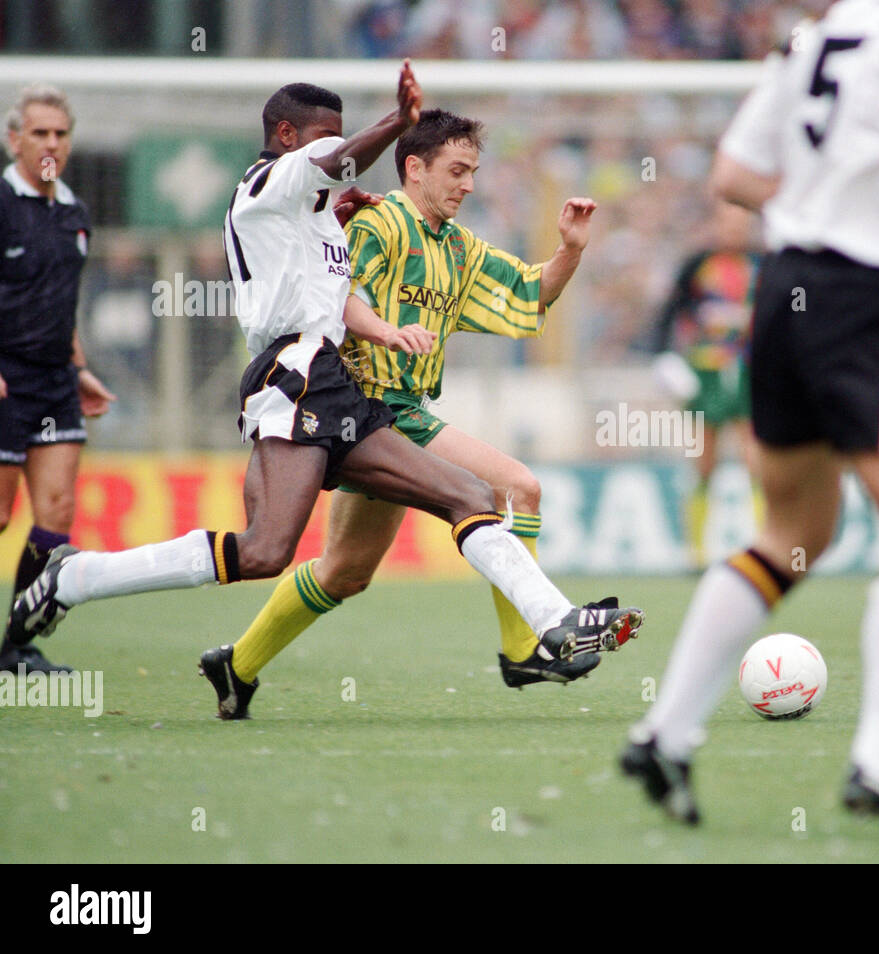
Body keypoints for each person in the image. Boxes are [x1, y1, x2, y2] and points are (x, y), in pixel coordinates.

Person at [8, 62, 643, 719]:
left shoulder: (313, 218)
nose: (333, 154)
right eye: (320, 140)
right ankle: (75, 576)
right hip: (293, 377)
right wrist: (398, 122)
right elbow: (337, 164)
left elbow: (340, 303)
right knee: (264, 552)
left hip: (336, 387)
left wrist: (385, 323)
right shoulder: (265, 182)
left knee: (468, 498)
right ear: (286, 136)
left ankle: (552, 624)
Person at [620, 0, 879, 832]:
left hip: (782, 290)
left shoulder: (816, 40)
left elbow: (734, 176)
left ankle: (663, 733)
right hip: (872, 298)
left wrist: (821, 205)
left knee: (793, 531)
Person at [225, 107, 610, 693]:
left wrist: (570, 250)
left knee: (345, 573)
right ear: (414, 168)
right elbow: (335, 301)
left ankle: (235, 665)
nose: (469, 184)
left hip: (398, 414)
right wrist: (385, 330)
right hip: (360, 405)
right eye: (457, 170)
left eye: (474, 171)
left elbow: (529, 296)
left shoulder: (457, 247)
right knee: (518, 486)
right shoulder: (377, 224)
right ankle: (522, 651)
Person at [0, 84, 116, 674]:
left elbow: (61, 303)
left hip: (52, 380)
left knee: (56, 513)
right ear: (13, 138)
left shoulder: (74, 210)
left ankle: (15, 646)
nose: (50, 143)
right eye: (39, 132)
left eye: (60, 133)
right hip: (4, 379)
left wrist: (79, 368)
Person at [649, 201, 761, 567]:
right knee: (704, 462)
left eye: (741, 223)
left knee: (755, 460)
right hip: (704, 373)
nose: (734, 231)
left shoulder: (761, 266)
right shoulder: (697, 266)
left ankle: (763, 546)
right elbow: (669, 311)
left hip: (747, 373)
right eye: (728, 223)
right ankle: (696, 553)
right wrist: (663, 356)